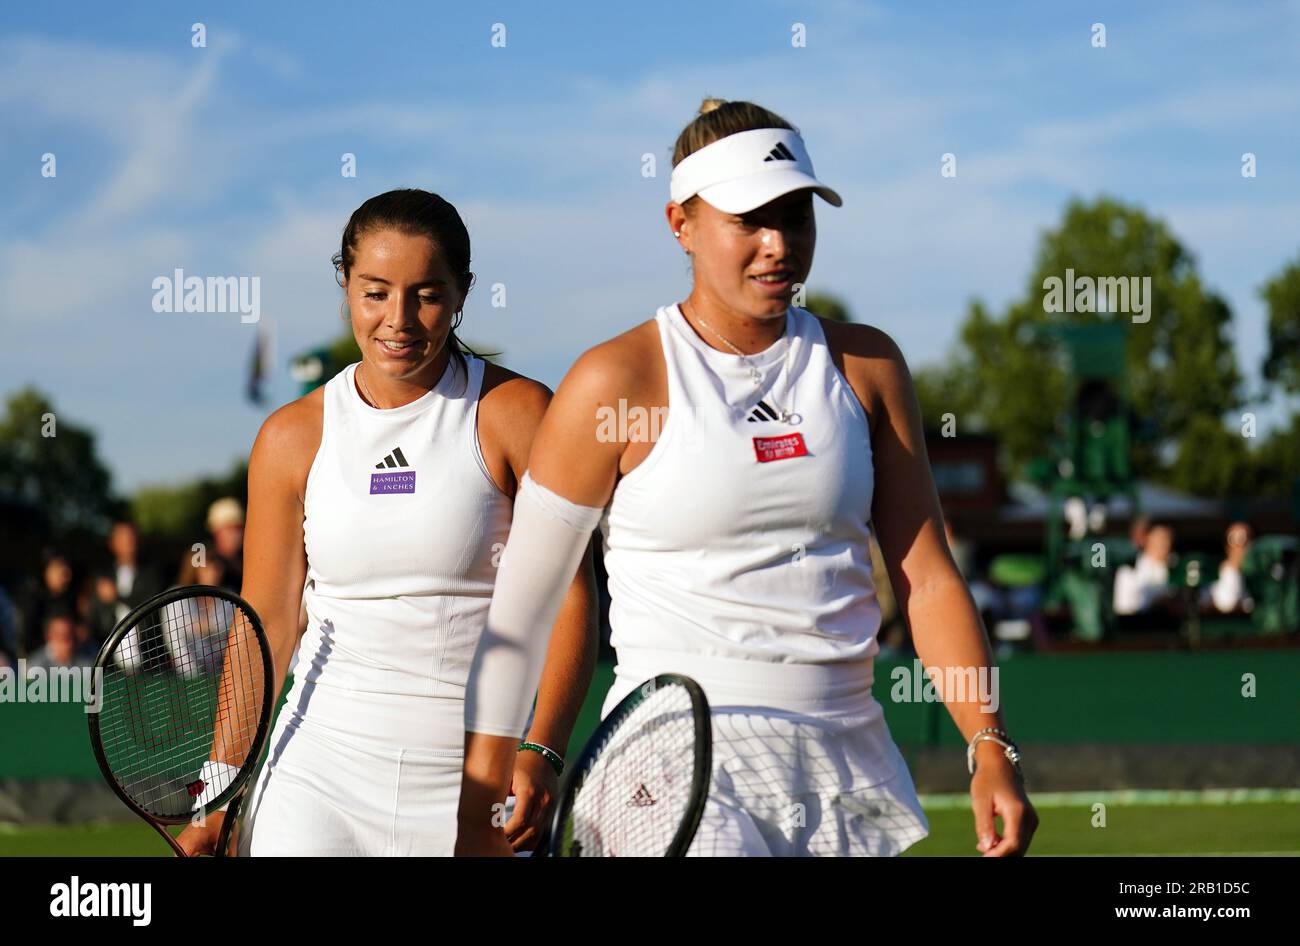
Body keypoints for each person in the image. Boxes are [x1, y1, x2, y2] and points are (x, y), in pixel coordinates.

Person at [460, 99, 1037, 856]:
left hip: (843, 761)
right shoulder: (613, 379)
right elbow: (527, 603)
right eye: (749, 221)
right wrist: (511, 767)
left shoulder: (867, 366)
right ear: (681, 224)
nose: (778, 246)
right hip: (665, 762)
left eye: (796, 219)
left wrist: (990, 746)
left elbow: (926, 579)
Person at [176, 189, 596, 857]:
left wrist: (541, 748)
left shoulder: (517, 412)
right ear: (344, 285)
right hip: (316, 781)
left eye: (426, 294)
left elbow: (572, 599)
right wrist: (217, 794)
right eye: (375, 292)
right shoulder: (291, 436)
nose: (398, 319)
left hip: (478, 786)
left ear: (463, 294)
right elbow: (269, 622)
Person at [1113, 522, 1176, 616]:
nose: (1164, 544)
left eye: (1167, 538)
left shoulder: (1177, 567)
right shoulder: (1128, 571)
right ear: (1146, 538)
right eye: (1159, 538)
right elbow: (1124, 608)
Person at [1207, 521, 1253, 614]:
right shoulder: (1215, 574)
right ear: (1226, 546)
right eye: (1233, 539)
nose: (1239, 547)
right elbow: (1227, 604)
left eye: (1244, 539)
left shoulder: (1258, 574)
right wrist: (1233, 569)